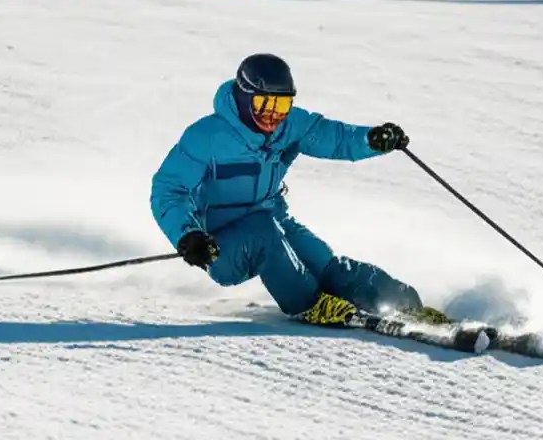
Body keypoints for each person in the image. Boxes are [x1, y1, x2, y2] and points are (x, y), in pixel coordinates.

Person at [150, 53, 426, 326]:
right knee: (263, 232)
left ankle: (406, 306)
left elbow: (335, 138)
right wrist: (188, 235)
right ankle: (308, 304)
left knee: (326, 266)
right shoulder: (206, 136)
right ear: (245, 97)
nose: (273, 115)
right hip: (220, 246)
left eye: (281, 105)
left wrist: (371, 140)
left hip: (273, 221)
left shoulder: (290, 126)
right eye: (264, 103)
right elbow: (169, 189)